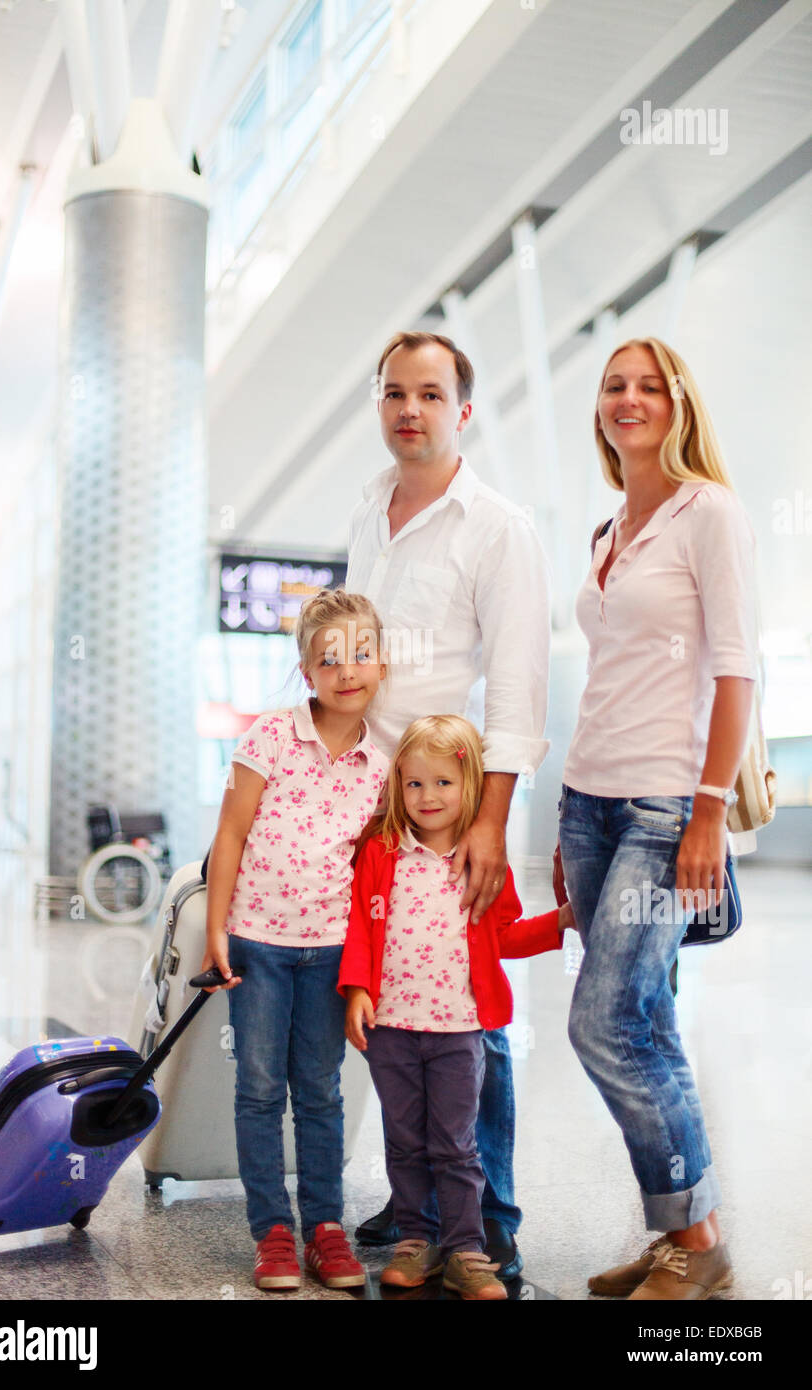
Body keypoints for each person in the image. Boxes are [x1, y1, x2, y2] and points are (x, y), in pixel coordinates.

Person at [553, 336, 757, 1300]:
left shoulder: (706, 513)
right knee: (648, 1019)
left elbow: (735, 669)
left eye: (647, 386)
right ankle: (678, 1230)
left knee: (602, 1024)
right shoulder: (607, 532)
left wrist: (708, 813)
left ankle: (700, 1238)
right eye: (613, 386)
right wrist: (563, 824)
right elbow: (604, 682)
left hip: (664, 807)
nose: (628, 399)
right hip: (590, 805)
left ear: (678, 404)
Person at [347, 331, 551, 1278]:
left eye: (430, 394)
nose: (409, 409)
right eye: (394, 392)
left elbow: (516, 687)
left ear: (462, 409)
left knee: (472, 1015)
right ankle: (416, 1205)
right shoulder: (369, 510)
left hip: (452, 803)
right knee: (400, 1009)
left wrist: (489, 820)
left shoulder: (497, 526)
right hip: (376, 809)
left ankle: (491, 1213)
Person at [340, 716, 572, 1300]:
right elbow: (361, 931)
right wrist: (358, 990)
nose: (428, 797)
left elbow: (508, 936)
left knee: (455, 1144)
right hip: (391, 1026)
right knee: (404, 1141)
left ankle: (468, 1250)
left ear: (469, 787)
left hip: (459, 1031)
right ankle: (416, 1241)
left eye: (443, 783)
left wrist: (563, 921)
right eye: (415, 784)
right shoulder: (382, 852)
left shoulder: (483, 862)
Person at [201, 588, 389, 1292]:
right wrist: (217, 930)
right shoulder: (271, 737)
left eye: (361, 655)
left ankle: (326, 1228)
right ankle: (272, 1232)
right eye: (330, 659)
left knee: (319, 1090)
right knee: (257, 1088)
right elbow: (231, 834)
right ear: (307, 672)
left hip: (331, 953)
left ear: (382, 664)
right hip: (257, 945)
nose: (348, 670)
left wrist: (367, 969)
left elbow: (374, 874)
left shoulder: (382, 765)